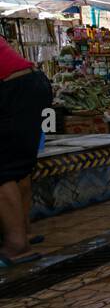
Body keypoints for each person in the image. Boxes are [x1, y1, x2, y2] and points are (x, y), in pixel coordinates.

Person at [0, 35, 53, 266]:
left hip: (12, 88)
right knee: (19, 167)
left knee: (2, 170)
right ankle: (24, 230)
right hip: (33, 84)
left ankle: (17, 245)